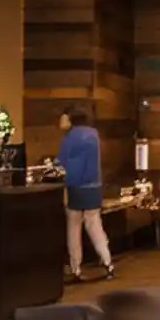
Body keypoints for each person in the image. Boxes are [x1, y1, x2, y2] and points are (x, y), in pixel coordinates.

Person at [57, 106, 115, 282]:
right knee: (95, 225)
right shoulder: (94, 135)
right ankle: (107, 262)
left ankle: (75, 267)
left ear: (71, 120)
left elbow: (61, 162)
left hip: (75, 187)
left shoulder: (69, 138)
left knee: (73, 227)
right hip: (93, 186)